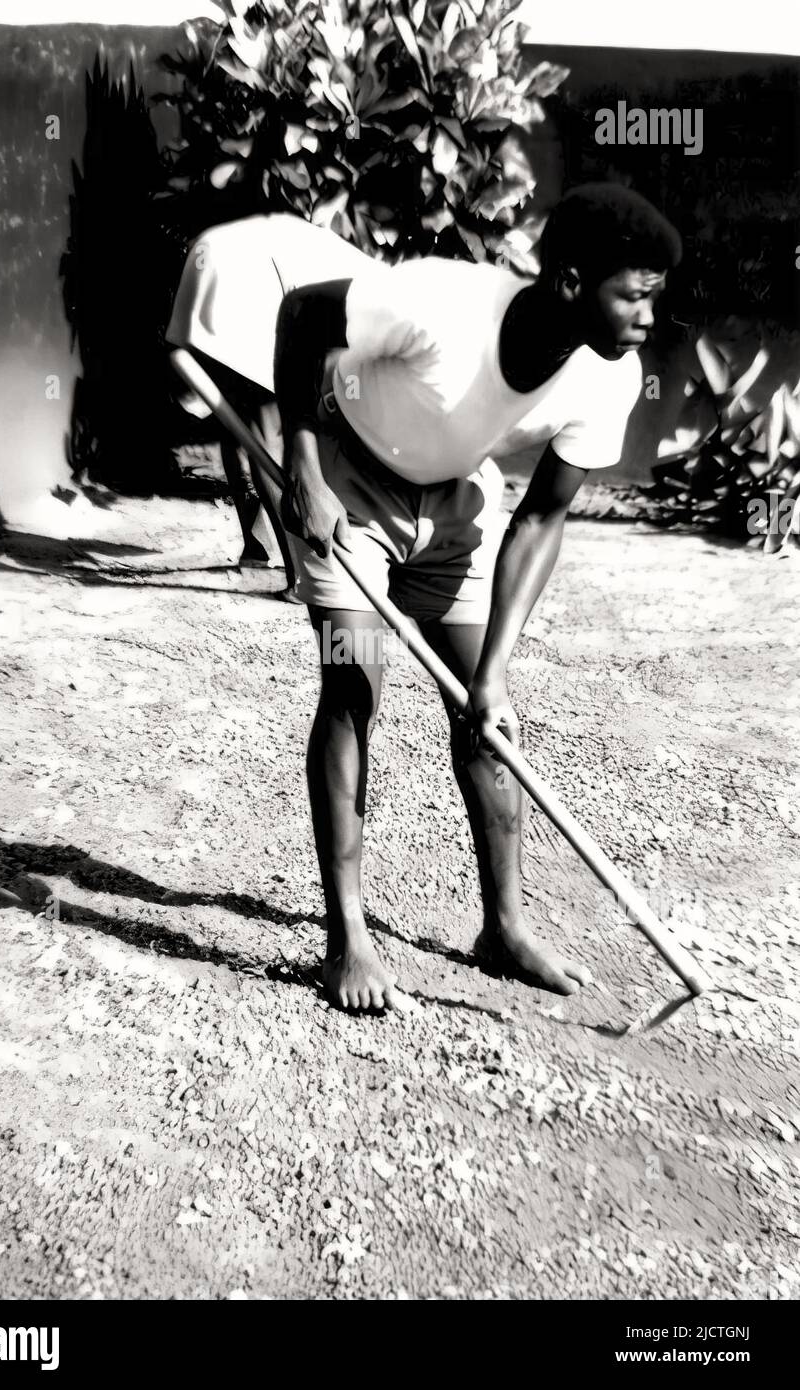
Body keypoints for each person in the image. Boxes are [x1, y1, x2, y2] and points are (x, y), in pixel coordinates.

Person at [273, 183, 682, 1012]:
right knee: (355, 683)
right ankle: (346, 936)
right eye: (633, 297)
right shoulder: (440, 301)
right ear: (571, 283)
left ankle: (503, 929)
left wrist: (493, 668)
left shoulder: (609, 376)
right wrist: (303, 472)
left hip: (456, 502)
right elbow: (303, 316)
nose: (647, 318)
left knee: (489, 722)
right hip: (351, 485)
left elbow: (542, 517)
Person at [166, 213, 379, 593]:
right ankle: (297, 574)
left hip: (237, 265)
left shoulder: (368, 289)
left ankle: (272, 555)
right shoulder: (380, 302)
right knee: (261, 428)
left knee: (252, 423)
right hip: (251, 277)